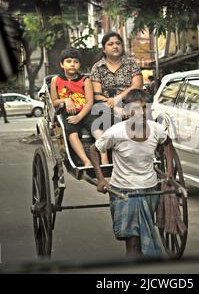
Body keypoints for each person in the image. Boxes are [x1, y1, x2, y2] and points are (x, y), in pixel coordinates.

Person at [90, 89, 174, 257]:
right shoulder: (116, 132)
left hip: (149, 189)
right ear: (127, 111)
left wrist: (170, 171)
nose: (140, 114)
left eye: (143, 109)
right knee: (133, 241)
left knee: (141, 236)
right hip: (123, 191)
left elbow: (168, 144)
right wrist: (100, 179)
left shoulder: (156, 129)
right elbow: (94, 149)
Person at [90, 31, 144, 164]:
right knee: (108, 116)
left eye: (118, 43)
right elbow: (97, 94)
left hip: (131, 100)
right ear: (104, 49)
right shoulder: (97, 67)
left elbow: (137, 85)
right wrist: (114, 106)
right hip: (105, 104)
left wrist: (119, 98)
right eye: (110, 44)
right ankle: (108, 155)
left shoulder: (131, 63)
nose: (115, 46)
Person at [50, 48, 102, 167]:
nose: (72, 64)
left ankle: (104, 158)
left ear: (79, 65)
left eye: (75, 61)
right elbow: (54, 102)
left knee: (98, 130)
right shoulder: (56, 80)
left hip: (85, 112)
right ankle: (86, 160)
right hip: (69, 114)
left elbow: (89, 102)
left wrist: (79, 116)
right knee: (71, 133)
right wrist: (65, 100)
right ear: (62, 64)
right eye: (68, 61)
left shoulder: (85, 80)